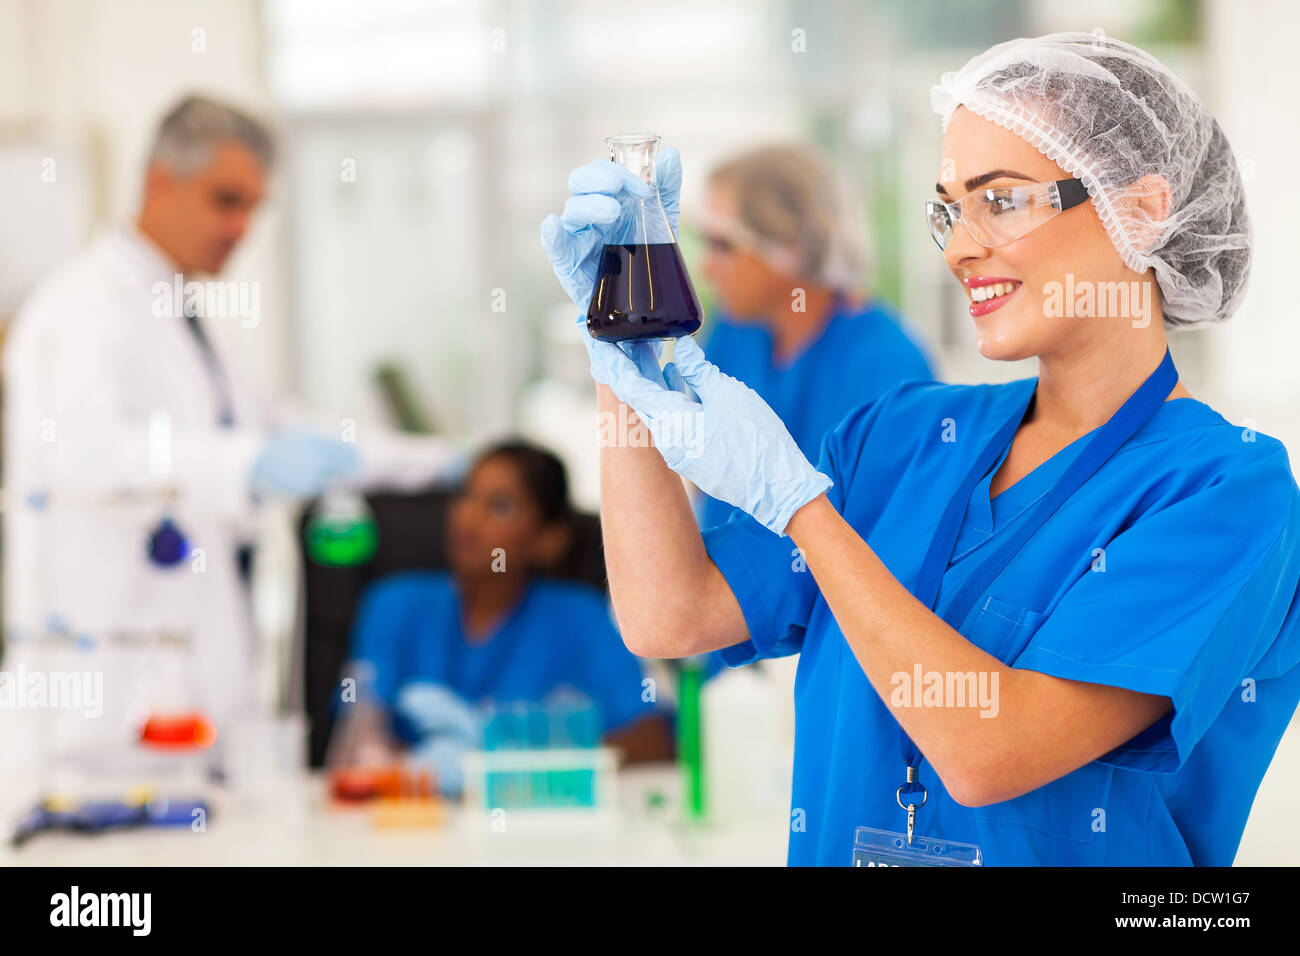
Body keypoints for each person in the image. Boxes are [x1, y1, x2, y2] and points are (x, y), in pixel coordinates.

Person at [541, 33, 1300, 866]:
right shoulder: (899, 436)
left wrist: (803, 509)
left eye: (1001, 200)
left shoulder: (1227, 491)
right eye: (948, 208)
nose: (959, 247)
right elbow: (668, 615)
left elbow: (989, 751)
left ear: (1145, 209)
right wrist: (626, 356)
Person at [2, 95, 461, 777]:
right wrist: (245, 462)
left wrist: (438, 462)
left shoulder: (190, 320)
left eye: (253, 207)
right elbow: (82, 454)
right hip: (96, 720)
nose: (241, 227)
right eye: (226, 201)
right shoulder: (78, 308)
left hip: (188, 702)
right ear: (162, 181)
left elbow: (283, 428)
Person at [347, 440, 674, 790]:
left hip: (536, 827)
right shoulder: (394, 605)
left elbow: (651, 743)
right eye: (465, 495)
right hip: (417, 825)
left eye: (500, 506)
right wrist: (416, 771)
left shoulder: (581, 618)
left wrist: (515, 760)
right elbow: (358, 735)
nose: (468, 517)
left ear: (548, 540)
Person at [695, 144, 933, 532]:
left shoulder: (888, 366)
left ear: (788, 246)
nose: (706, 267)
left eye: (724, 245)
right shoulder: (732, 335)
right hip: (723, 584)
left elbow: (892, 536)